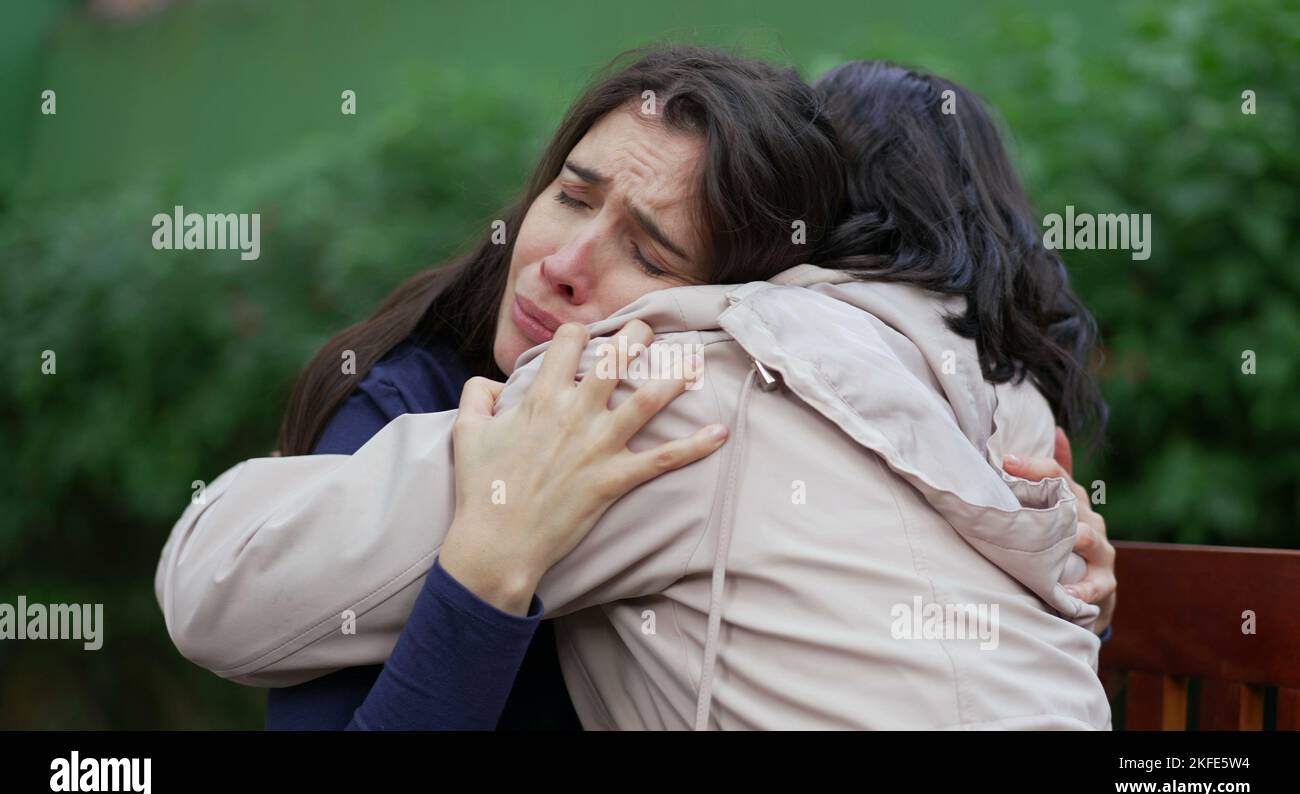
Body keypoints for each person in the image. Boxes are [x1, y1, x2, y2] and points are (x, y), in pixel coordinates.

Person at [156, 50, 1118, 730]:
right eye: (572, 196)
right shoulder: (979, 419)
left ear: (735, 288)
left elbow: (216, 579)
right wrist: (489, 556)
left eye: (651, 251)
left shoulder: (682, 383)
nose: (568, 264)